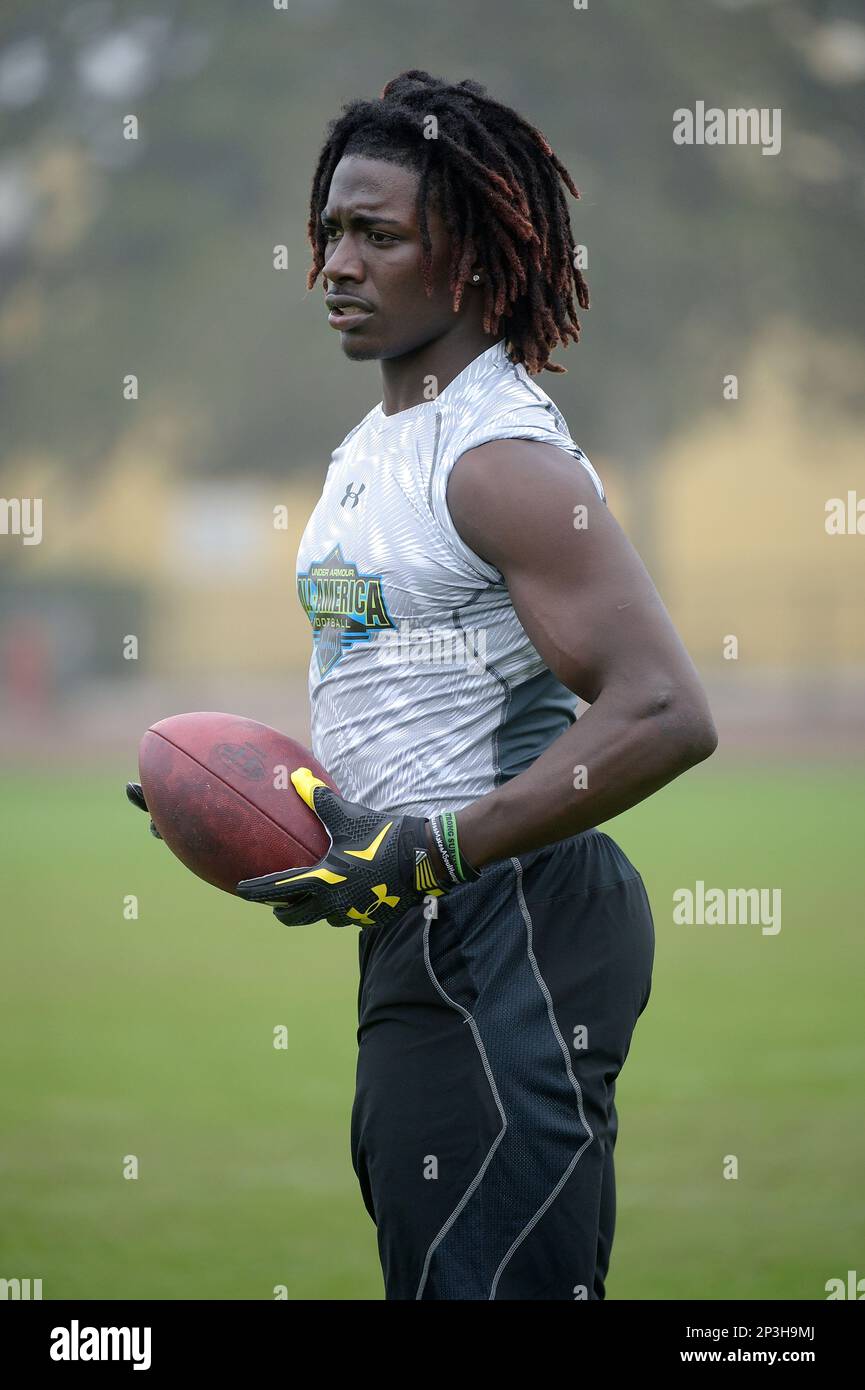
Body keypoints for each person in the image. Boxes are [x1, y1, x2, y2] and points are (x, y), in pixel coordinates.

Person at [135, 70, 717, 1301]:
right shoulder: (375, 444)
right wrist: (252, 792)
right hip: (433, 920)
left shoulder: (496, 456)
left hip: (512, 921)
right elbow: (411, 694)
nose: (337, 263)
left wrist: (437, 850)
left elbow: (665, 711)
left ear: (465, 259)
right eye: (330, 231)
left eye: (378, 235)